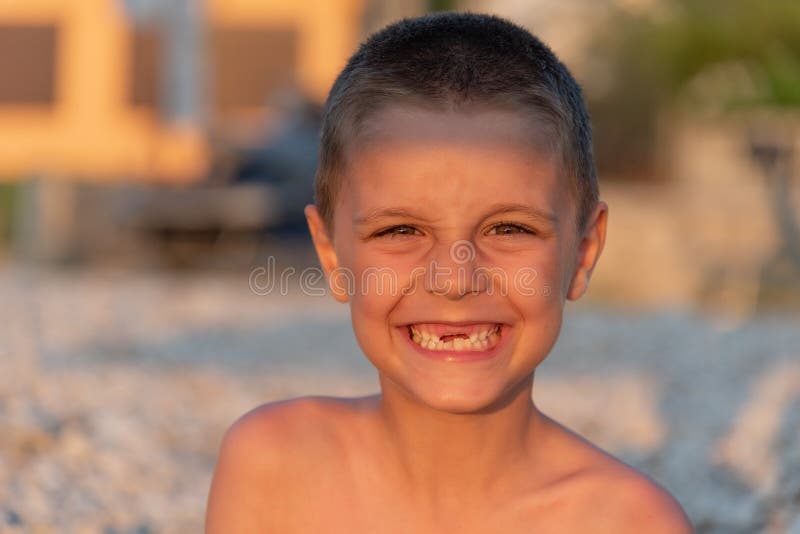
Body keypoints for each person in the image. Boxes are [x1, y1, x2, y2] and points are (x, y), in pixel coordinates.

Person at [205, 12, 694, 533]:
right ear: (330, 254)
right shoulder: (275, 468)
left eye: (509, 229)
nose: (455, 280)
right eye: (400, 231)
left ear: (584, 250)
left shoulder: (628, 523)